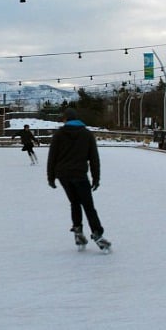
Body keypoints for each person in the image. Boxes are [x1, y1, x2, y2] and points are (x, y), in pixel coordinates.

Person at [46, 108, 111, 252]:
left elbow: (52, 157)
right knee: (88, 205)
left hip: (63, 175)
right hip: (79, 174)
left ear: (65, 119)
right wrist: (96, 178)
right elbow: (94, 158)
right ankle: (97, 233)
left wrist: (51, 177)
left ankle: (78, 232)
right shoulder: (86, 134)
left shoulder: (59, 135)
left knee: (75, 203)